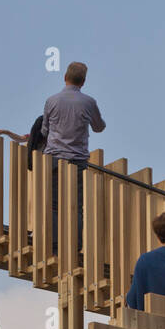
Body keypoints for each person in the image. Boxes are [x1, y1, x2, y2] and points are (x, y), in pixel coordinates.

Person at [41, 61, 105, 248]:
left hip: (54, 158)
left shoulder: (51, 100)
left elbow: (45, 130)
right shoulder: (89, 102)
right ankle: (75, 246)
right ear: (83, 82)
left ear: (65, 77)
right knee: (77, 206)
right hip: (77, 160)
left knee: (54, 204)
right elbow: (99, 127)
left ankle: (54, 245)